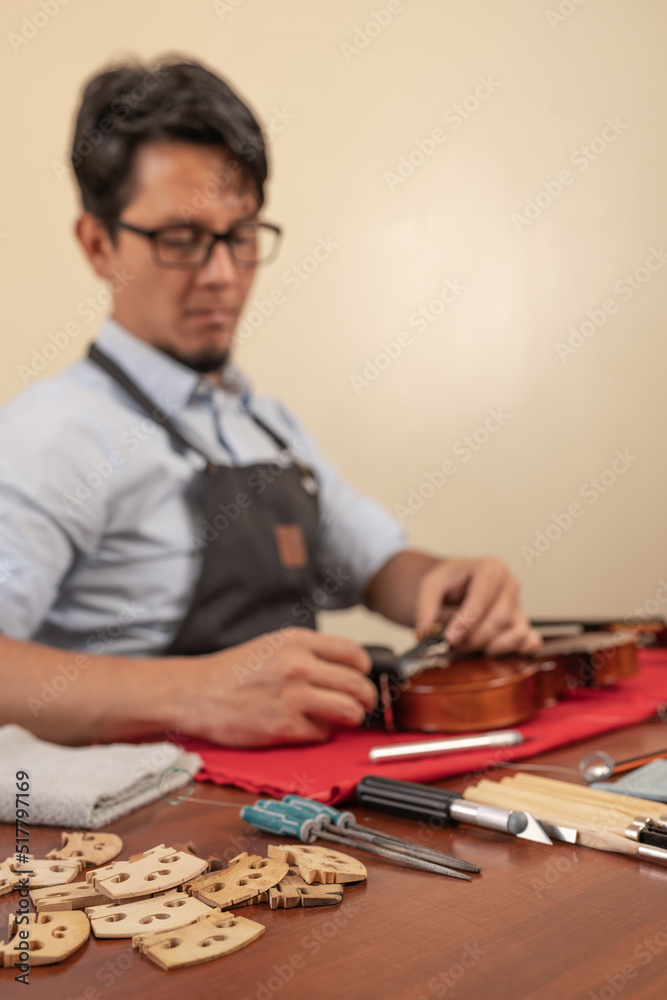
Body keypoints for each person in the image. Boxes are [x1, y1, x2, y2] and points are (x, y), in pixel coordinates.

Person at [0, 56, 540, 749]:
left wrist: (451, 586)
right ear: (98, 244)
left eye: (241, 236)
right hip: (151, 837)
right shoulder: (55, 433)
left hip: (300, 819)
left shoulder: (263, 424)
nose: (223, 275)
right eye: (182, 240)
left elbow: (379, 567)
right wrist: (193, 693)